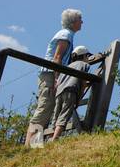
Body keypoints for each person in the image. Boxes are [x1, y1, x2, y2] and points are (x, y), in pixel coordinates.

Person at [26, 8, 83, 147]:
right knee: (45, 107)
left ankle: (34, 145)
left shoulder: (67, 34)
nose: (82, 22)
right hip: (51, 74)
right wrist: (57, 78)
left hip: (51, 73)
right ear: (73, 22)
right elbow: (57, 57)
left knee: (48, 107)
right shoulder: (66, 34)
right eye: (80, 19)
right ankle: (31, 146)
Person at [50, 45, 94, 140]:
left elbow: (59, 82)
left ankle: (51, 135)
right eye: (88, 56)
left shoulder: (68, 66)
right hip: (71, 90)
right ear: (85, 56)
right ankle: (55, 138)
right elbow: (83, 83)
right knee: (65, 114)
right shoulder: (84, 65)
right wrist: (78, 99)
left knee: (56, 115)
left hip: (59, 92)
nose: (88, 58)